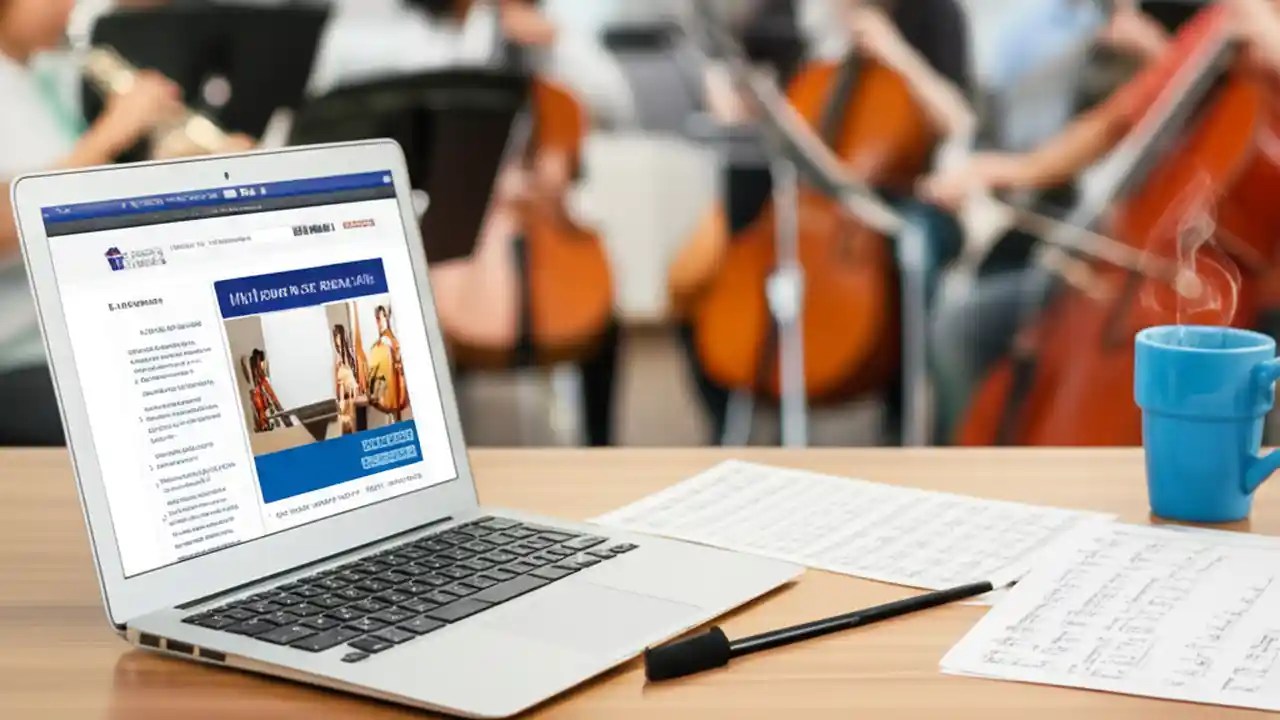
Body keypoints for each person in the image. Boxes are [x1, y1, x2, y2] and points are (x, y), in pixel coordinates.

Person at [920, 0, 1280, 443]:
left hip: (1240, 296)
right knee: (966, 327)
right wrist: (1012, 169)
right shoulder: (1229, 19)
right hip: (1142, 265)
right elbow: (1118, 118)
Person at [670, 0, 976, 444]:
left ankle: (906, 422)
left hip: (907, 194)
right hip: (812, 199)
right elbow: (791, 115)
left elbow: (958, 120)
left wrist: (895, 52)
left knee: (917, 257)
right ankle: (729, 424)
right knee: (702, 276)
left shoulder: (939, 16)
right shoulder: (810, 24)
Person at [0, 0, 190, 446]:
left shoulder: (45, 74)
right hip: (20, 353)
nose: (68, 5)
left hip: (84, 332)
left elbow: (86, 198)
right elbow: (9, 226)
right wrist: (114, 130)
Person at [333, 324, 360, 435]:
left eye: (339, 336)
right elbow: (338, 385)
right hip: (344, 399)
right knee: (345, 429)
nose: (337, 340)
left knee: (354, 428)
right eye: (335, 337)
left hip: (353, 396)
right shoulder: (337, 361)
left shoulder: (350, 357)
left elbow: (355, 380)